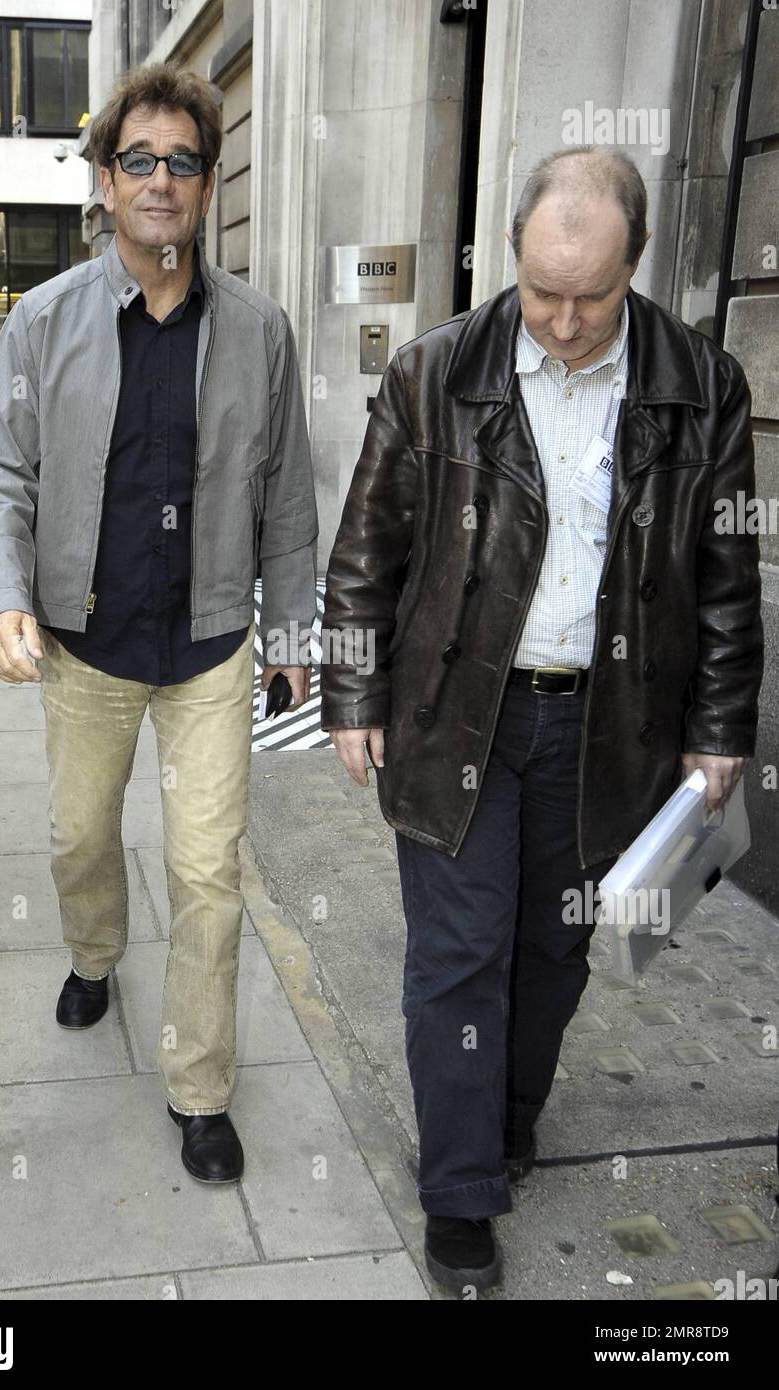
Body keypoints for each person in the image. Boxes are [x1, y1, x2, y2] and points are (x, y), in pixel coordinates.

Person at [319, 146, 763, 1293]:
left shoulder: (701, 385)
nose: (562, 324)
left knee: (554, 951)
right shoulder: (432, 371)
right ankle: (459, 1191)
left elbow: (725, 581)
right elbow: (365, 551)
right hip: (454, 709)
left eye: (591, 297)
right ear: (511, 252)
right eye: (541, 291)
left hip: (608, 724)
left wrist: (720, 731)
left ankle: (507, 1118)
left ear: (637, 261)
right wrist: (351, 693)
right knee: (458, 956)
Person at [0, 61, 318, 1184]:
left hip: (209, 648)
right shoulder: (42, 322)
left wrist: (293, 635)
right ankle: (94, 951)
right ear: (105, 181)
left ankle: (199, 1090)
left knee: (207, 872)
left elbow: (287, 496)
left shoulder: (259, 330)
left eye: (184, 161)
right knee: (78, 836)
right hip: (86, 645)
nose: (161, 180)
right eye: (139, 160)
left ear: (210, 184)